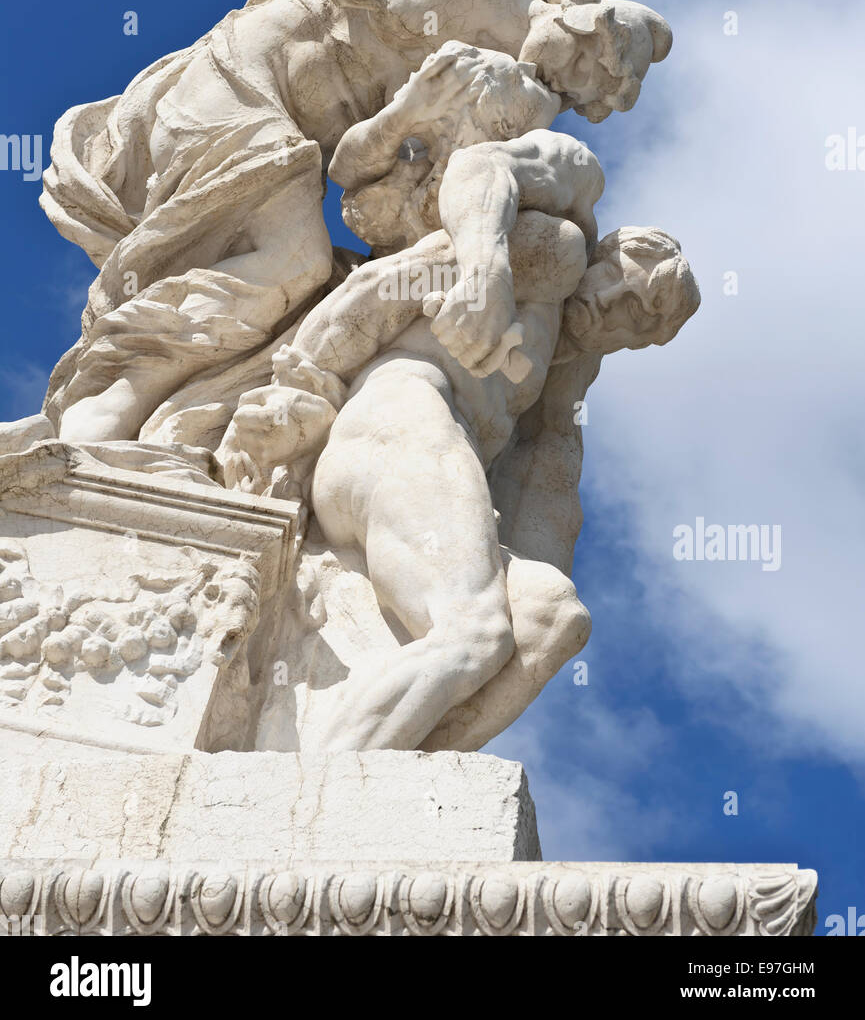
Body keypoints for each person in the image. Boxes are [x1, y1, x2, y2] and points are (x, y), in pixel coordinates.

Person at [39, 0, 672, 446]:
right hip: (254, 72)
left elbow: (360, 183)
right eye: (587, 57)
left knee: (304, 281)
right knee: (295, 262)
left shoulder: (513, 105)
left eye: (592, 91)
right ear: (574, 7)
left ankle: (137, 416)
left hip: (306, 154)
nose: (575, 82)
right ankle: (105, 411)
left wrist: (411, 124)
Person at [220, 127, 699, 752]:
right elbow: (384, 285)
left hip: (436, 485)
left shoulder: (564, 384)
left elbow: (548, 501)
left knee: (549, 619)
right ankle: (308, 798)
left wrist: (525, 577)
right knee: (474, 630)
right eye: (619, 276)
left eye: (637, 313)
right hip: (398, 422)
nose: (612, 300)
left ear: (641, 343)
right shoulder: (552, 255)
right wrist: (484, 271)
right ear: (604, 253)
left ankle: (384, 765)